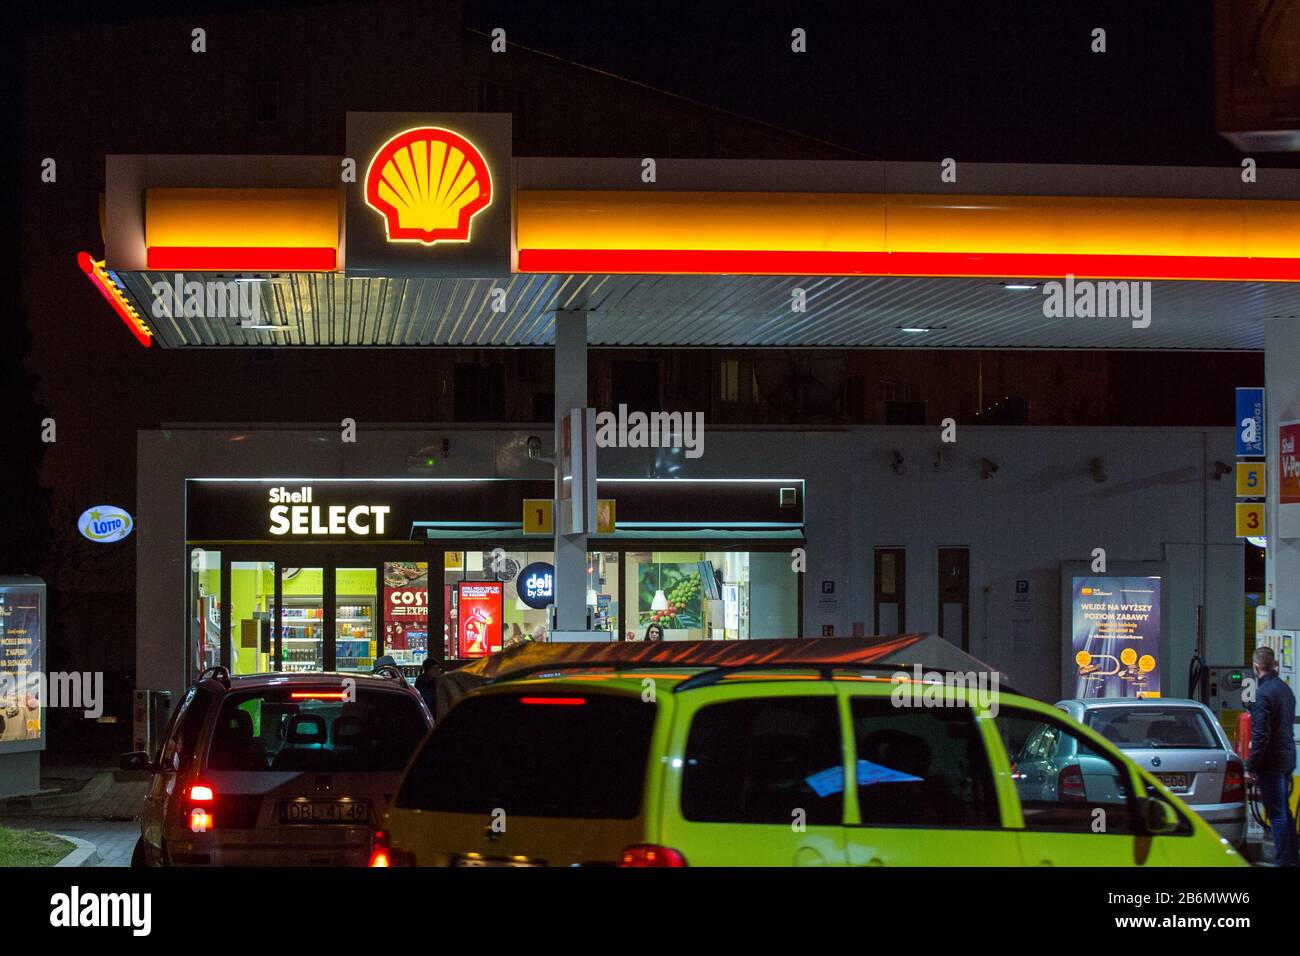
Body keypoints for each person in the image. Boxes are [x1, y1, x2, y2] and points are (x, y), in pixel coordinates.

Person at [1246, 646, 1298, 867]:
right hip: (1287, 759)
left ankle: (1283, 861)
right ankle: (1291, 857)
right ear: (1274, 664)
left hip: (1272, 762)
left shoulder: (1262, 694)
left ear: (1256, 667)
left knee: (1276, 813)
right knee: (1284, 811)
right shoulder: (1285, 690)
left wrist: (1250, 765)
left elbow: (1260, 735)